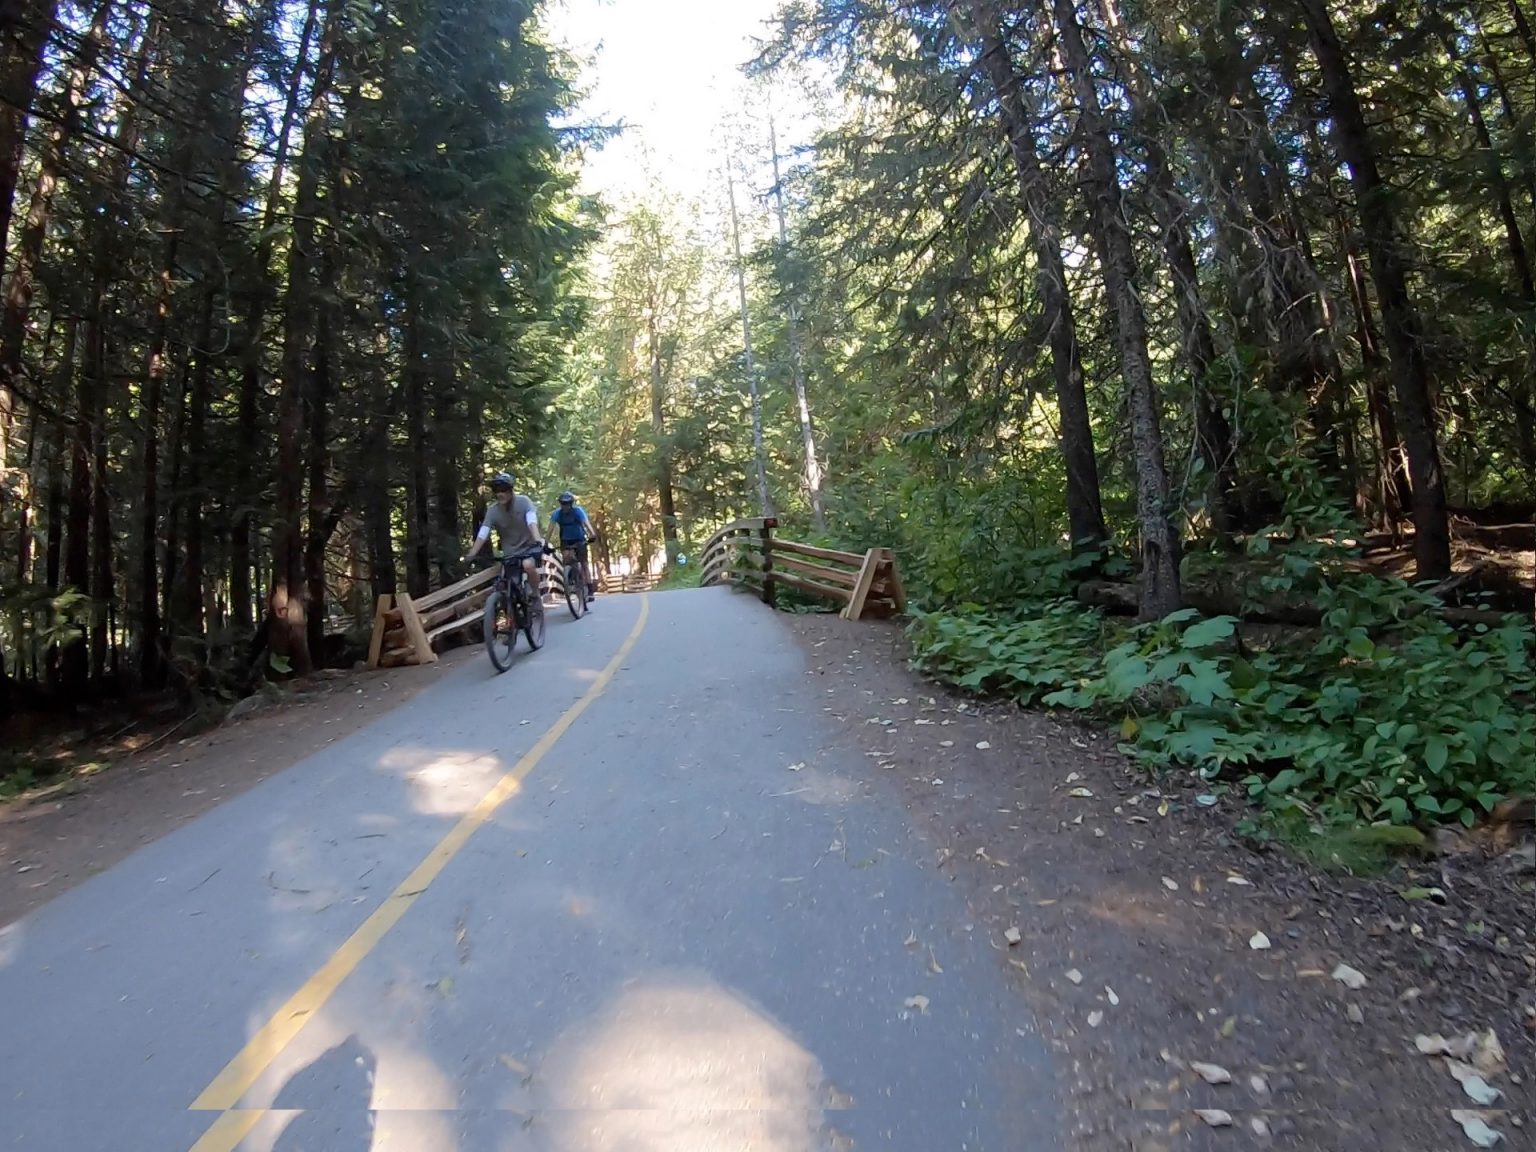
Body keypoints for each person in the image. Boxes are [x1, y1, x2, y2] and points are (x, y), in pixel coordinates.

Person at [462, 472, 547, 607]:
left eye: (504, 490)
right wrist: (472, 554)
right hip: (510, 553)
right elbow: (483, 533)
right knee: (506, 580)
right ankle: (510, 610)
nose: (500, 494)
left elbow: (531, 522)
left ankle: (535, 594)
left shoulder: (524, 502)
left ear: (511, 490)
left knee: (528, 565)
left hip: (528, 548)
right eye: (497, 491)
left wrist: (538, 541)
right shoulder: (493, 511)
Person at [549, 491, 598, 599]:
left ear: (571, 504)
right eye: (563, 504)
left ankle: (589, 589)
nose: (565, 506)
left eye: (567, 504)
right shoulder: (557, 514)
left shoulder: (578, 511)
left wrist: (592, 535)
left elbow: (586, 523)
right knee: (567, 558)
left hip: (579, 539)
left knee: (584, 564)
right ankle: (570, 580)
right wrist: (546, 543)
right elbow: (550, 529)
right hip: (565, 540)